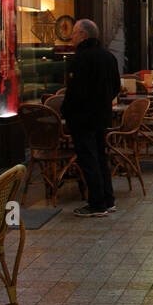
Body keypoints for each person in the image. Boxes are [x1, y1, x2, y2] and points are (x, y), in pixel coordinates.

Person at [61, 19, 121, 217]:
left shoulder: (80, 59)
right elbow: (116, 87)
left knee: (89, 160)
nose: (72, 36)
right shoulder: (109, 57)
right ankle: (108, 199)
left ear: (83, 35)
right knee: (101, 158)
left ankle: (97, 204)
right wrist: (103, 104)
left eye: (75, 32)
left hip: (83, 119)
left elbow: (74, 93)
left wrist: (66, 113)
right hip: (102, 117)